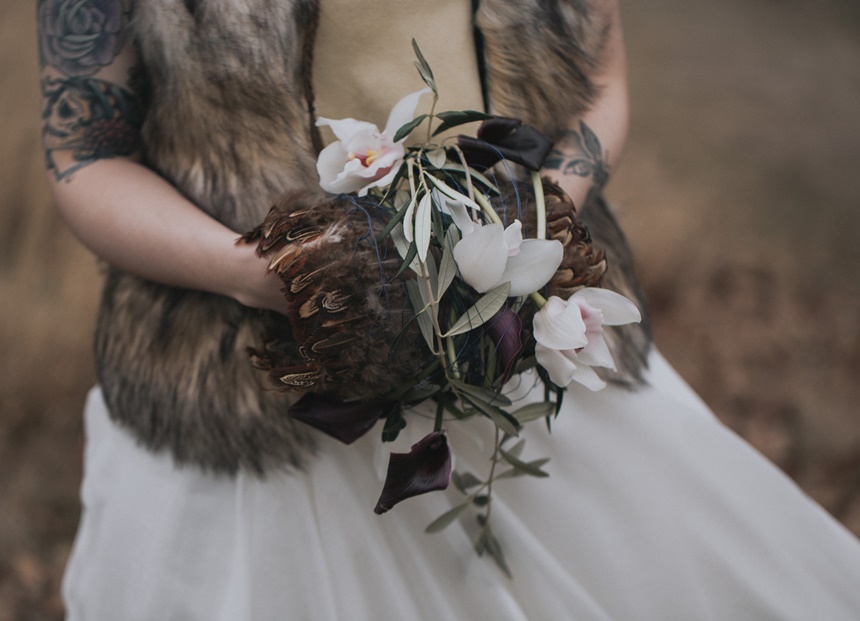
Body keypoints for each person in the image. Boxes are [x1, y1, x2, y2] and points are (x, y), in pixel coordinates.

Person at [39, 1, 860, 619]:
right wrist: (270, 273)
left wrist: (530, 226)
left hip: (524, 350)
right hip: (244, 392)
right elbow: (84, 152)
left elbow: (601, 86)